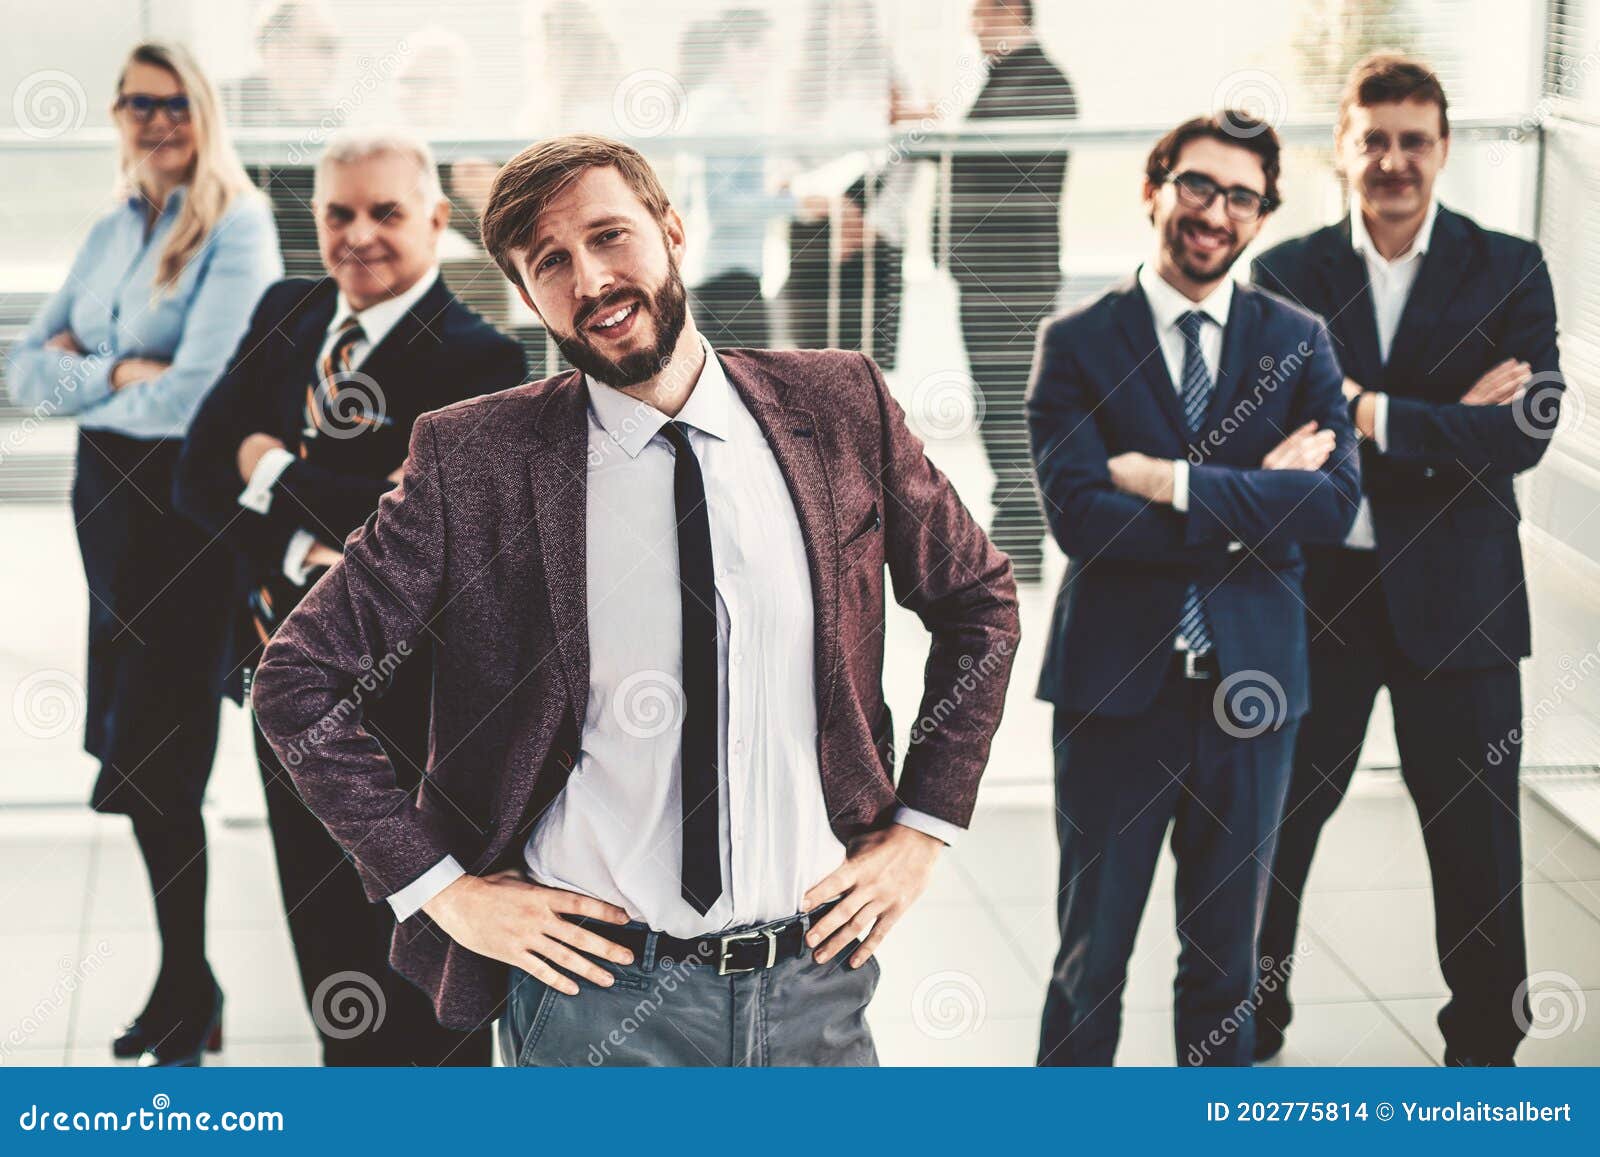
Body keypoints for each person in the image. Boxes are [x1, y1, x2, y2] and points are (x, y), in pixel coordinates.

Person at [250, 133, 1020, 1066]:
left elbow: (978, 596)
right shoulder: (475, 458)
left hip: (816, 983)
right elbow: (295, 680)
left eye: (611, 236)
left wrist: (924, 829)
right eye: (553, 263)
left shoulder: (839, 404)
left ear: (672, 231)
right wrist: (440, 888)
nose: (593, 279)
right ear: (530, 297)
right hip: (594, 1005)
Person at [173, 129, 525, 1067]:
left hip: (410, 719)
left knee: (429, 977)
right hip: (279, 691)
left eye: (385, 212)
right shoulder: (286, 311)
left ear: (439, 221)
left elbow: (426, 530)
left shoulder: (480, 359)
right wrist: (316, 526)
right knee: (331, 963)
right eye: (338, 213)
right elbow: (196, 474)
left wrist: (273, 463)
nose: (358, 234)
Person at [1027, 114, 1361, 1066]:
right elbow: (1083, 519)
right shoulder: (1078, 342)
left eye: (1241, 197)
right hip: (1115, 699)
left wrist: (1175, 483)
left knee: (1225, 968)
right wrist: (1265, 491)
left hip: (1252, 699)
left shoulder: (1298, 342)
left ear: (1262, 217)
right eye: (1198, 186)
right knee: (1091, 961)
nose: (1217, 212)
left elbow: (1334, 505)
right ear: (1155, 189)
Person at [1251, 54, 1561, 1067]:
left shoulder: (1508, 265)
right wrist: (1438, 421)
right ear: (1342, 147)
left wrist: (1368, 410)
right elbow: (1272, 423)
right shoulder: (1287, 273)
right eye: (1372, 138)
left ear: (1443, 149)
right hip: (1318, 602)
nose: (1391, 160)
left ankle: (1486, 1051)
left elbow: (1522, 430)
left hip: (1460, 607)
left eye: (1411, 140)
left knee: (1476, 845)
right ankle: (1245, 1024)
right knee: (1268, 834)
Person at [6, 41, 282, 1066]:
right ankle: (186, 978)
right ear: (119, 116)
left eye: (175, 103)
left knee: (165, 767)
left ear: (203, 111)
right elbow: (26, 372)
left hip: (184, 533)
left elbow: (198, 395)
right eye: (138, 104)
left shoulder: (238, 225)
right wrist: (123, 369)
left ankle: (188, 985)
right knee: (134, 766)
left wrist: (95, 369)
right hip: (113, 534)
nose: (158, 121)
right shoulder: (113, 226)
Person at [941, 0, 1077, 584]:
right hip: (988, 275)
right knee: (997, 404)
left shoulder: (1043, 81)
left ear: (1011, 11)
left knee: (1012, 405)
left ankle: (1022, 541)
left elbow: (1001, 157)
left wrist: (938, 128)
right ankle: (1016, 535)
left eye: (980, 12)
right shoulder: (1002, 80)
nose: (971, 25)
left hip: (1012, 278)